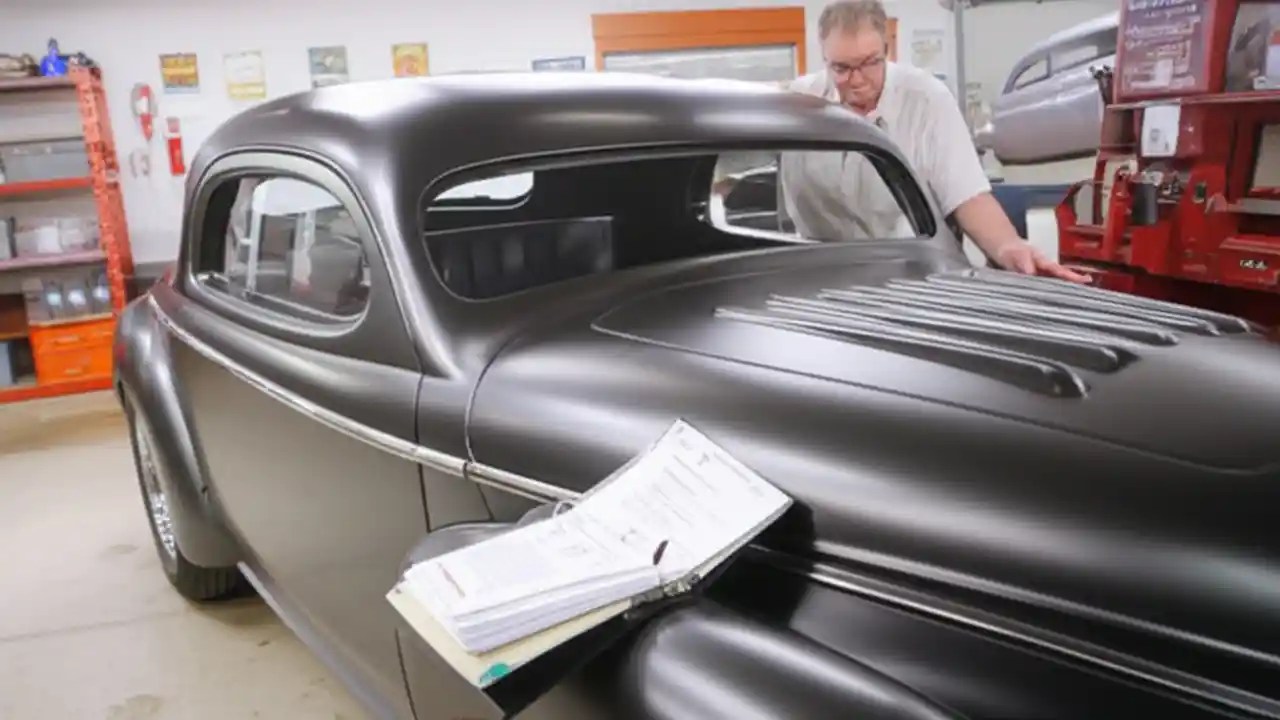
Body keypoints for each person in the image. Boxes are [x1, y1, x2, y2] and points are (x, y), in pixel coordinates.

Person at [781, 0, 1089, 282]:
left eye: (870, 62)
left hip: (907, 276)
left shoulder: (926, 101)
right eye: (842, 68)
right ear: (825, 58)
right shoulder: (800, 104)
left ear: (886, 48)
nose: (857, 80)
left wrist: (1009, 247)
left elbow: (967, 196)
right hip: (820, 276)